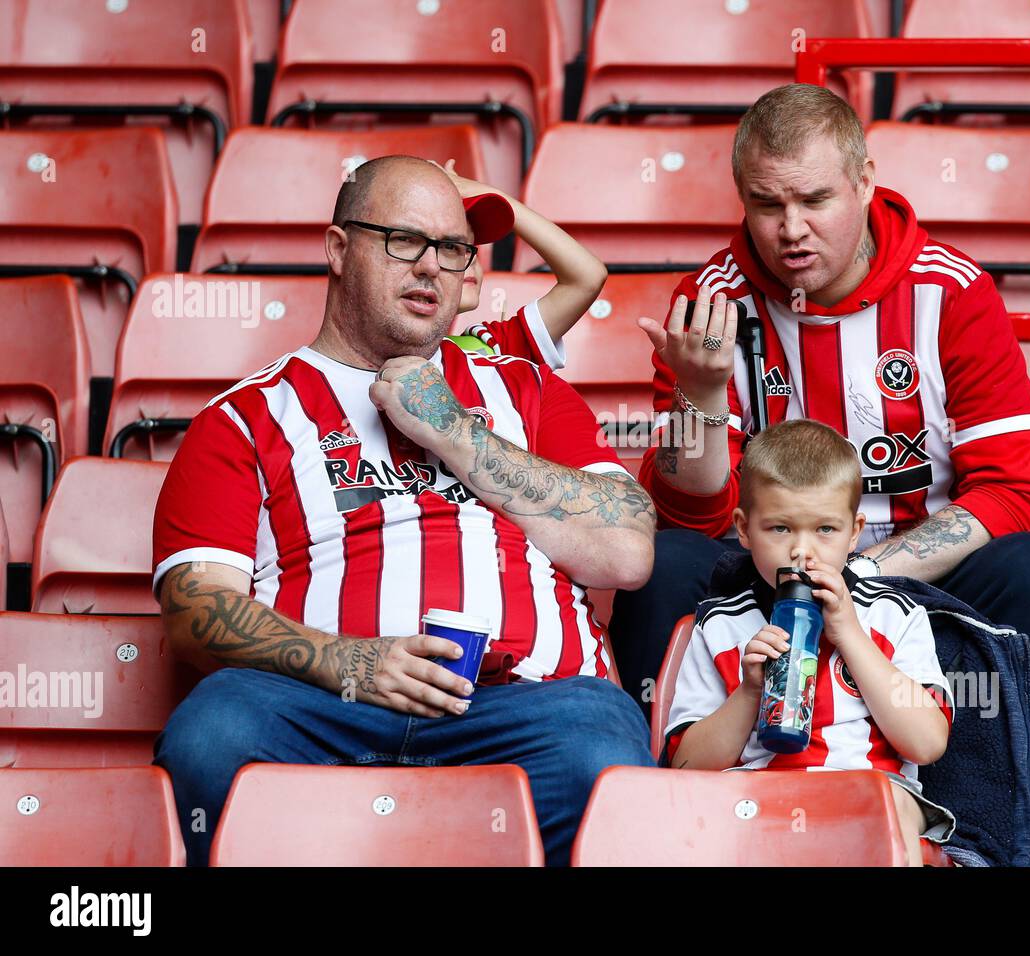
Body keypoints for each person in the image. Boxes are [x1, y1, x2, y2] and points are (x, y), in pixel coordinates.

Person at [612, 83, 1030, 866]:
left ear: (865, 181)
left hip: (920, 570)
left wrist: (854, 575)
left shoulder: (951, 292)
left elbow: (1019, 488)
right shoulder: (712, 302)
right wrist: (700, 396)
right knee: (662, 566)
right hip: (761, 572)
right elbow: (695, 516)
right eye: (767, 204)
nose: (791, 229)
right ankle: (653, 831)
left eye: (815, 200)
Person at [151, 155, 658, 867]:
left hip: (522, 712)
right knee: (211, 732)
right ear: (336, 250)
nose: (430, 268)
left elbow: (628, 551)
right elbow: (194, 608)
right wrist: (348, 662)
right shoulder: (245, 416)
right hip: (324, 708)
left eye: (452, 250)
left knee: (602, 749)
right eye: (402, 240)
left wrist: (452, 429)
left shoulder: (525, 390)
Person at [664, 419, 955, 867]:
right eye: (780, 529)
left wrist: (851, 635)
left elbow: (927, 744)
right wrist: (749, 692)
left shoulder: (895, 616)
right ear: (743, 529)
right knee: (699, 831)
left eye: (825, 529)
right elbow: (685, 770)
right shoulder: (719, 626)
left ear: (855, 531)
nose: (803, 551)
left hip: (870, 790)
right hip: (753, 798)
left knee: (889, 809)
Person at [438, 159, 607, 372]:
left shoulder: (491, 347)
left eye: (472, 247)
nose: (469, 258)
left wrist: (482, 192)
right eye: (450, 247)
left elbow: (588, 277)